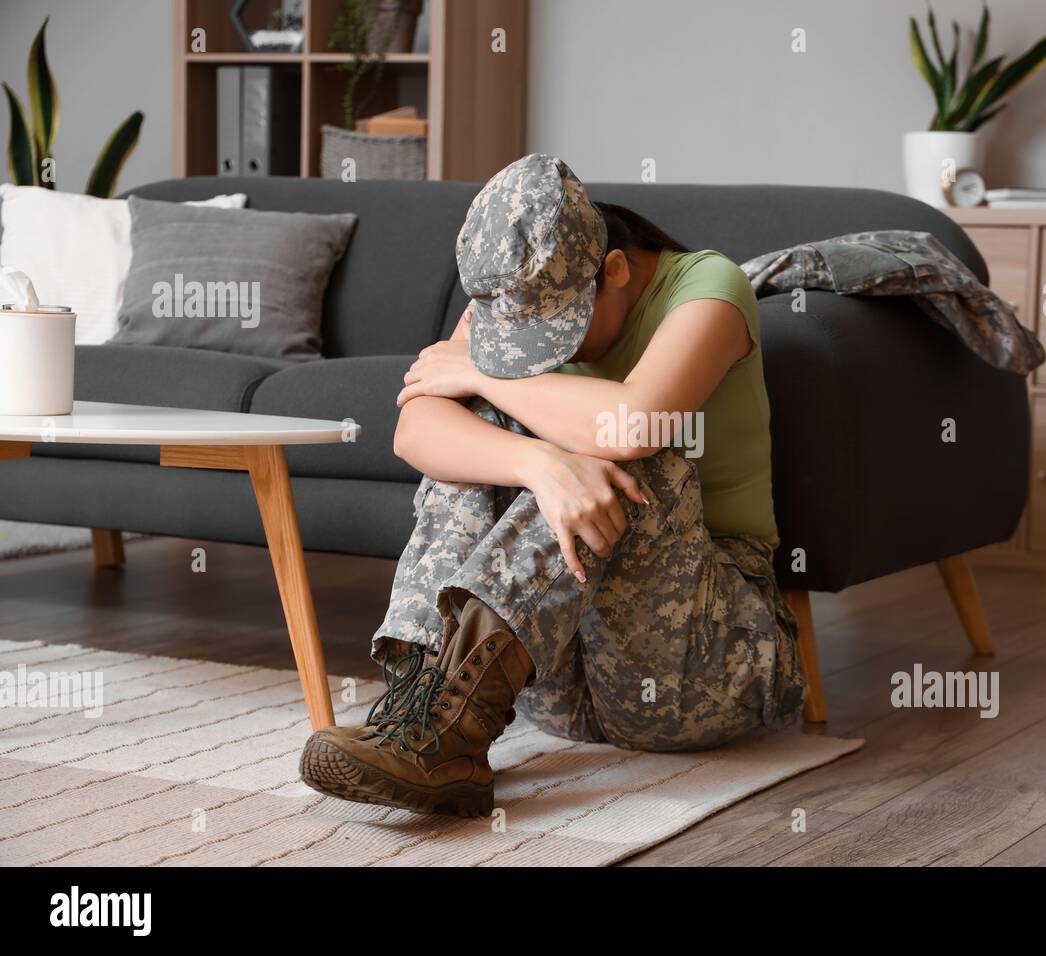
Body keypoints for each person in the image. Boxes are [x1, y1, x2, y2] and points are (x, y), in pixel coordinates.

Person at [299, 153, 805, 816]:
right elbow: (414, 431)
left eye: (554, 336)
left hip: (705, 670)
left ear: (616, 271)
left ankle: (443, 730)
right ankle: (426, 709)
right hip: (556, 681)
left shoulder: (711, 287)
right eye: (519, 345)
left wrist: (484, 375)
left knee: (630, 452)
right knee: (480, 438)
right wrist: (537, 463)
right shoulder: (514, 291)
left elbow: (634, 424)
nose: (534, 357)